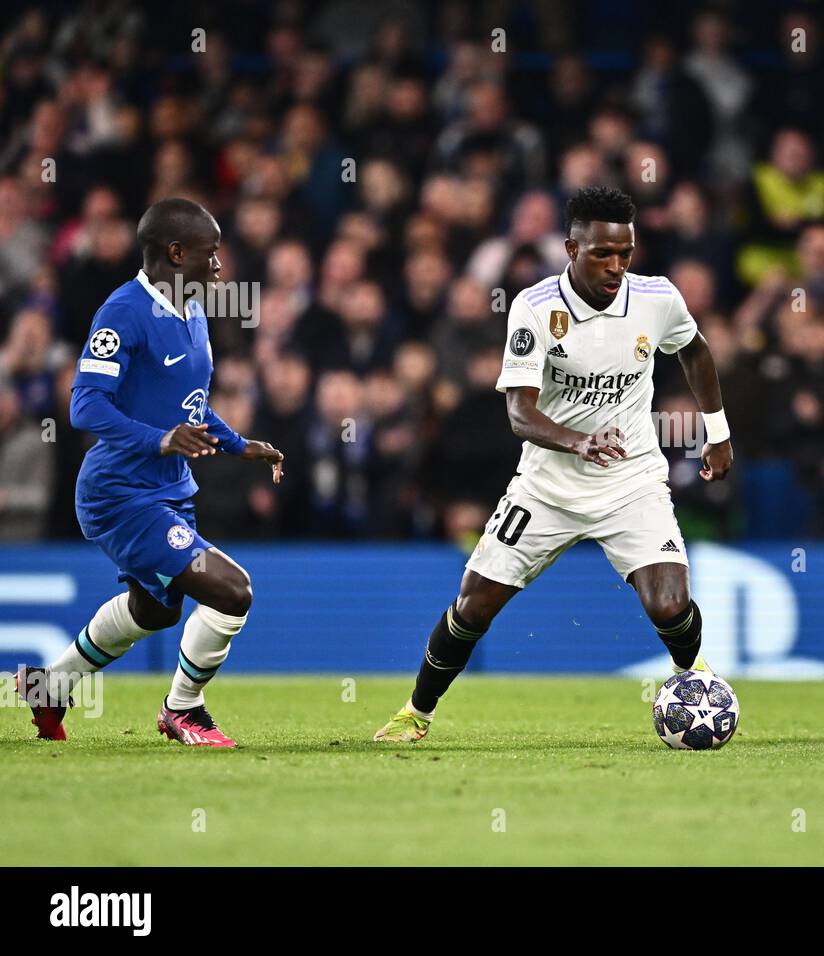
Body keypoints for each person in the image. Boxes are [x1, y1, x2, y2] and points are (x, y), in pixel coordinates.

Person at [373, 187, 734, 742]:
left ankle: (693, 676)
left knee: (670, 604)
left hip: (631, 479)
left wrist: (717, 432)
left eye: (625, 254)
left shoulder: (657, 298)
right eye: (602, 255)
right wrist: (578, 442)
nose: (616, 267)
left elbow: (694, 349)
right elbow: (519, 411)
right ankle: (415, 713)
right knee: (473, 606)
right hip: (546, 487)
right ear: (571, 247)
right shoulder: (536, 308)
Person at [17, 198, 284, 747]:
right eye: (210, 255)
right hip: (118, 493)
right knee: (233, 591)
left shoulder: (192, 312)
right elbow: (85, 405)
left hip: (168, 490)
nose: (218, 267)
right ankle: (183, 709)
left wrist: (240, 445)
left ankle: (51, 687)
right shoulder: (124, 311)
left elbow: (189, 406)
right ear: (176, 252)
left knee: (155, 612)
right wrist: (159, 440)